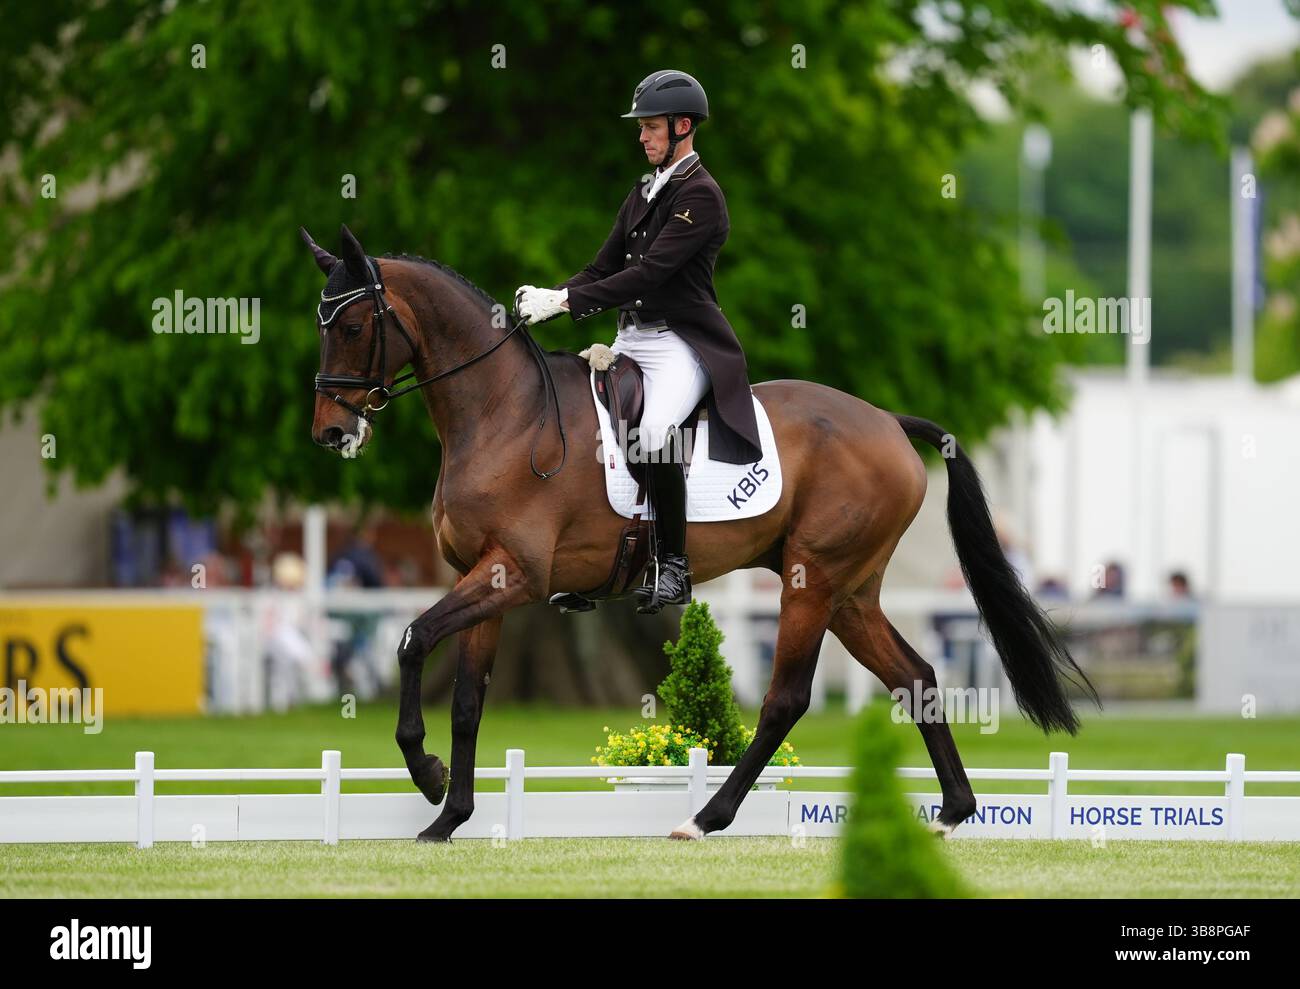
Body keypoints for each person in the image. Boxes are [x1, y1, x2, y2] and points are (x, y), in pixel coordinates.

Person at [514, 69, 763, 613]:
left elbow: (649, 275)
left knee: (652, 436)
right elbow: (601, 267)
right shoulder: (642, 191)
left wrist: (568, 303)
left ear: (682, 126)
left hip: (681, 344)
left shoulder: (702, 196)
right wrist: (552, 296)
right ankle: (590, 560)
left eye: (651, 127)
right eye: (642, 128)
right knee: (585, 425)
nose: (642, 137)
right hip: (629, 338)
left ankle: (673, 566)